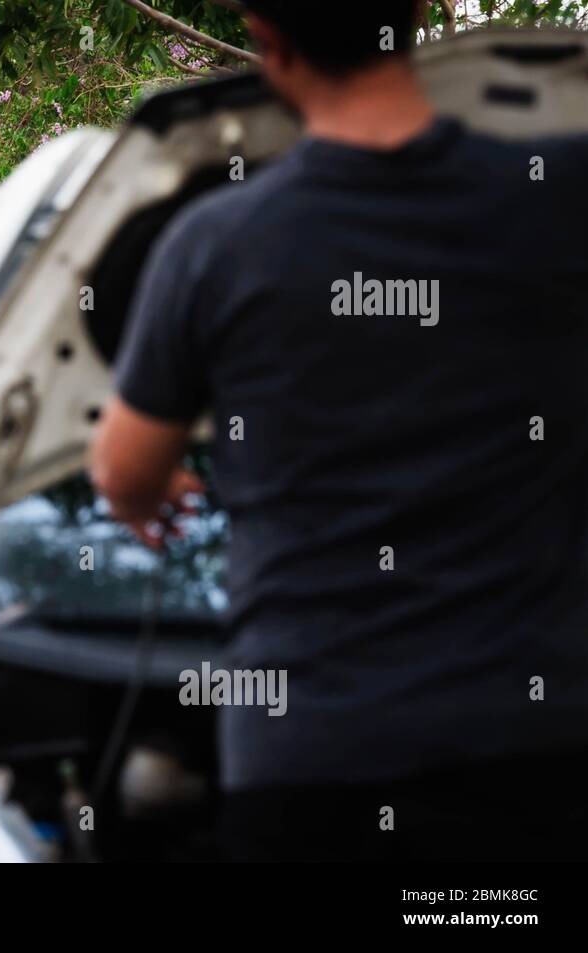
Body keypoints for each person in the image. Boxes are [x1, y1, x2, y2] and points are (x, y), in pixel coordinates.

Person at [89, 0, 588, 860]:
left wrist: (164, 482)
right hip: (536, 750)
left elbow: (123, 474)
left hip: (308, 755)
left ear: (267, 36)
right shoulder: (561, 196)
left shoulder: (218, 242)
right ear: (417, 13)